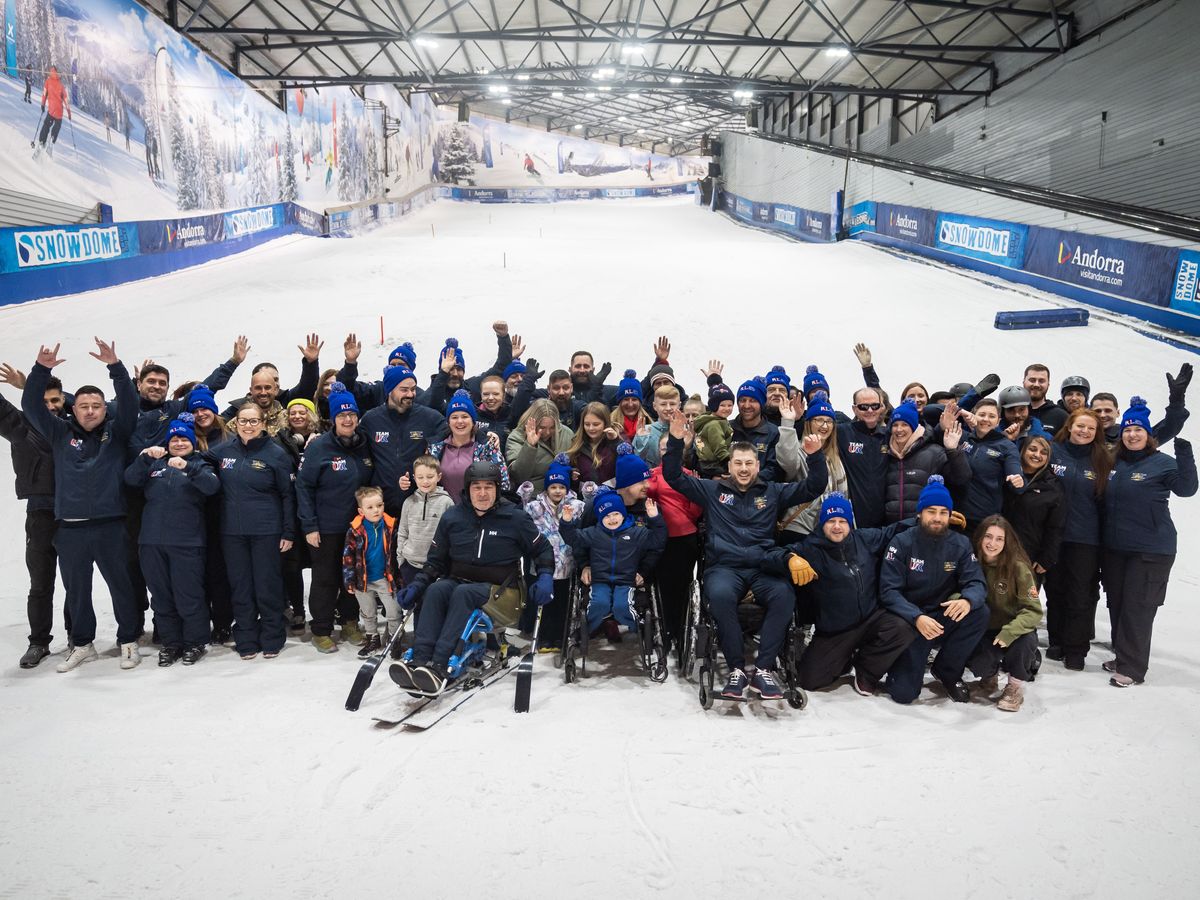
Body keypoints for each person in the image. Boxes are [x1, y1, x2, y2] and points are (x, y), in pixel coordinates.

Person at [662, 410, 828, 700]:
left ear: (757, 465)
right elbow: (673, 476)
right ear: (729, 464)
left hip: (763, 566)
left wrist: (815, 456)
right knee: (721, 597)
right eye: (737, 463)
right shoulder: (712, 490)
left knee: (784, 595)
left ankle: (763, 670)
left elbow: (814, 487)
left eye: (748, 463)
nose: (743, 468)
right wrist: (676, 441)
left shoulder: (773, 491)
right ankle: (737, 671)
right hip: (724, 568)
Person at [22, 339, 141, 672]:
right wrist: (40, 370)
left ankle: (129, 640)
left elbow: (131, 404)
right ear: (73, 409)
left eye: (97, 405)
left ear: (105, 409)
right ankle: (83, 643)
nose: (90, 410)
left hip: (110, 525)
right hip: (71, 529)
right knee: (77, 591)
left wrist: (115, 367)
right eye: (84, 405)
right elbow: (30, 405)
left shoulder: (117, 434)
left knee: (121, 585)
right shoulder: (59, 434)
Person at [391, 461, 555, 695]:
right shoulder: (453, 517)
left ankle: (440, 665)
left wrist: (545, 576)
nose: (482, 493)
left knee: (462, 593)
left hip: (503, 594)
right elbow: (436, 560)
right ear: (467, 489)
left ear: (498, 489)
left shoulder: (514, 518)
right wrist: (418, 586)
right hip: (461, 582)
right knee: (436, 590)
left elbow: (543, 549)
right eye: (476, 487)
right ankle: (419, 660)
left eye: (488, 487)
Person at [1101, 397, 1196, 687]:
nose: (1131, 435)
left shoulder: (1163, 464)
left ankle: (1132, 668)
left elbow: (1187, 489)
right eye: (1128, 429)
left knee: (1138, 607)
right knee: (1116, 603)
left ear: (1148, 435)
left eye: (1138, 430)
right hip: (1116, 548)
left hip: (1151, 550)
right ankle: (1123, 655)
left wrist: (1185, 456)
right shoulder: (1112, 461)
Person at [790, 493, 920, 695]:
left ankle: (867, 670)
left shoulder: (863, 539)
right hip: (836, 630)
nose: (837, 526)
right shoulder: (809, 548)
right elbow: (770, 556)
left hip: (871, 618)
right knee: (809, 680)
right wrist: (789, 558)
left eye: (842, 521)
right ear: (822, 523)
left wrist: (920, 520)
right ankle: (843, 659)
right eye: (831, 521)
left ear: (850, 523)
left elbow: (892, 531)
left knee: (903, 627)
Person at [879, 475, 988, 704]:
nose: (937, 518)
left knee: (979, 612)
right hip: (910, 622)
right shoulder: (901, 542)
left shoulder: (960, 544)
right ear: (919, 513)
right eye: (931, 511)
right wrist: (916, 617)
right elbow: (889, 591)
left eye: (943, 512)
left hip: (940, 616)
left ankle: (948, 670)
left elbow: (976, 582)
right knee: (903, 694)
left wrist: (967, 600)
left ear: (950, 515)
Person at [123, 414, 220, 667]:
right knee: (161, 596)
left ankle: (195, 641)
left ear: (193, 442)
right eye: (174, 439)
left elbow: (212, 487)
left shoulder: (201, 464)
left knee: (189, 595)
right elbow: (131, 480)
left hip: (188, 543)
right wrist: (144, 457)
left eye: (184, 439)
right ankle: (171, 642)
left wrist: (188, 468)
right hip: (152, 542)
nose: (179, 443)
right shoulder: (155, 465)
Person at [206, 402, 296, 660]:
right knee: (240, 586)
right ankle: (245, 638)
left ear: (263, 423)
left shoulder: (276, 454)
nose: (248, 425)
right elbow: (196, 458)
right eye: (243, 421)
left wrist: (288, 532)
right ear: (235, 423)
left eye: (253, 421)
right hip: (232, 533)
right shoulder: (223, 452)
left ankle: (271, 637)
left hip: (266, 531)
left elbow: (288, 496)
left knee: (266, 586)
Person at [296, 383, 373, 652]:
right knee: (325, 579)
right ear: (333, 419)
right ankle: (321, 629)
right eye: (342, 415)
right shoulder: (320, 447)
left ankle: (350, 622)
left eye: (352, 414)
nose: (348, 419)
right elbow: (303, 487)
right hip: (327, 527)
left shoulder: (364, 444)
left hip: (357, 527)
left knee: (352, 578)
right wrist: (309, 525)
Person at [1, 363, 67, 668]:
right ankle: (39, 642)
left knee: (76, 582)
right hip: (40, 514)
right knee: (41, 584)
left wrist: (29, 383)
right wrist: (27, 387)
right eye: (43, 402)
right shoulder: (20, 426)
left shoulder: (74, 426)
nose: (51, 407)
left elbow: (93, 403)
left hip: (73, 515)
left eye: (55, 400)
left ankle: (80, 637)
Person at [1044, 408, 1111, 668]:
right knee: (1055, 591)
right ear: (1070, 426)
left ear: (1096, 433)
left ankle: (1076, 649)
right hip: (1053, 537)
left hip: (1085, 540)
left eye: (1090, 428)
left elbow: (1105, 503)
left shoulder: (1103, 459)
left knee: (1081, 595)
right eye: (1080, 426)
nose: (1084, 431)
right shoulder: (1053, 451)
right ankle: (1057, 641)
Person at [561, 489, 666, 639]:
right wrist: (566, 522)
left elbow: (658, 539)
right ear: (600, 518)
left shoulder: (636, 533)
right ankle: (587, 629)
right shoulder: (594, 533)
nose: (612, 519)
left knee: (622, 606)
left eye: (616, 514)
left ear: (623, 514)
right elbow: (573, 539)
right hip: (600, 581)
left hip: (625, 581)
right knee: (599, 604)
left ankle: (639, 626)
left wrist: (655, 518)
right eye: (607, 516)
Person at [968, 515, 1043, 712]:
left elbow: (1034, 611)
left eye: (999, 539)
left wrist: (1010, 631)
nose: (992, 543)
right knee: (979, 663)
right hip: (986, 630)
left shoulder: (1018, 567)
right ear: (980, 538)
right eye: (988, 537)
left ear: (1007, 541)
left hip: (1015, 629)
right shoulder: (971, 561)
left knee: (1024, 642)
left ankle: (1014, 687)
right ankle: (989, 676)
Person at [360, 363, 449, 517]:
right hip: (380, 508)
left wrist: (485, 435)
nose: (410, 394)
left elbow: (457, 430)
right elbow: (352, 442)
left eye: (413, 389)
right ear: (389, 390)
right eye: (404, 390)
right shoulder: (371, 419)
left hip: (417, 505)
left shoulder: (429, 417)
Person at [517, 455, 584, 651]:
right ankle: (545, 637)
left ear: (567, 488)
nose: (557, 491)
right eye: (553, 487)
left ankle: (561, 636)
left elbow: (585, 520)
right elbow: (522, 519)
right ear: (546, 488)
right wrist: (524, 496)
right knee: (544, 604)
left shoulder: (576, 506)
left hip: (567, 563)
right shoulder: (535, 507)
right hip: (542, 564)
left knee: (563, 603)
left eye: (561, 487)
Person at [647, 433, 705, 655]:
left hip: (685, 537)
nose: (667, 452)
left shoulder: (690, 476)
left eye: (670, 448)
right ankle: (664, 631)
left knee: (682, 588)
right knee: (661, 586)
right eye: (663, 448)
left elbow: (697, 509)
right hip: (661, 538)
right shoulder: (651, 476)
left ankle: (681, 631)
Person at [776, 390, 846, 543]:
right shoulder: (800, 450)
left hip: (826, 531)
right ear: (809, 423)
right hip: (797, 529)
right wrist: (788, 423)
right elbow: (788, 461)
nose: (824, 425)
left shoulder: (836, 459)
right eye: (819, 420)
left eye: (828, 421)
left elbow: (843, 496)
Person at [883, 400, 969, 523]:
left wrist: (953, 451)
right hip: (891, 529)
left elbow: (961, 478)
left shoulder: (934, 452)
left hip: (923, 527)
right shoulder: (885, 454)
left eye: (904, 424)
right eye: (895, 425)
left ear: (914, 426)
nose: (899, 429)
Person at [342, 486, 401, 658]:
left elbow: (396, 553)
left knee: (393, 611)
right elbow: (348, 557)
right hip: (363, 580)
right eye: (370, 507)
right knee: (368, 612)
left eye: (379, 505)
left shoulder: (390, 527)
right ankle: (372, 639)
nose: (376, 510)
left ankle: (394, 639)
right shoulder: (355, 530)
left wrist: (399, 578)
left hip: (385, 578)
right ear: (361, 510)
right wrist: (349, 579)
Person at [221, 335, 324, 432]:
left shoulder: (287, 404)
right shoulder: (238, 409)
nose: (264, 391)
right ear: (252, 387)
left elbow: (307, 388)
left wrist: (311, 364)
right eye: (260, 386)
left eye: (275, 380)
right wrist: (233, 362)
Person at [1001, 434, 1065, 585]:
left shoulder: (1053, 486)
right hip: (997, 548)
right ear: (1022, 450)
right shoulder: (1006, 474)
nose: (1037, 455)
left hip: (1030, 555)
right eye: (1033, 449)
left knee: (1025, 604)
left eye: (1044, 453)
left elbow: (1056, 526)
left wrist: (1047, 558)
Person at [426, 390, 510, 499]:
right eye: (454, 417)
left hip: (478, 511)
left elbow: (504, 483)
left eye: (465, 416)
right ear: (448, 422)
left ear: (473, 421)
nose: (460, 421)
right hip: (443, 511)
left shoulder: (488, 446)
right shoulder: (435, 448)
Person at [957, 397, 1023, 534]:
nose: (985, 419)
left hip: (983, 519)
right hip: (955, 515)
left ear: (998, 421)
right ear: (973, 415)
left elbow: (1014, 470)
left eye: (991, 416)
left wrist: (1018, 480)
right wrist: (960, 411)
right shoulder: (962, 437)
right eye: (981, 415)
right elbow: (936, 420)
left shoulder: (1006, 447)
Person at [836, 386, 889, 528]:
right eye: (863, 407)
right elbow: (815, 427)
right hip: (852, 520)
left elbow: (919, 431)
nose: (870, 411)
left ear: (882, 407)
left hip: (885, 521)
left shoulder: (891, 435)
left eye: (874, 406)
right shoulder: (841, 433)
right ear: (854, 409)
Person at [506, 398, 574, 493]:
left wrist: (574, 472)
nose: (547, 432)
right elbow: (518, 476)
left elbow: (574, 464)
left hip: (562, 494)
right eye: (542, 427)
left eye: (552, 427)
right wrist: (530, 446)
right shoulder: (517, 437)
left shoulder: (567, 433)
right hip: (532, 496)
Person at [731, 378, 780, 481]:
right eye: (743, 400)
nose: (747, 405)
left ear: (761, 404)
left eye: (753, 400)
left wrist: (747, 479)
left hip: (760, 491)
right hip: (728, 489)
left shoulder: (773, 432)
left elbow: (774, 469)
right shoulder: (727, 428)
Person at [566, 401, 621, 486]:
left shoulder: (617, 438)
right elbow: (573, 482)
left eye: (596, 424)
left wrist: (615, 441)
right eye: (587, 424)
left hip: (612, 495)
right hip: (586, 496)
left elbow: (629, 461)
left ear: (605, 423)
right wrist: (573, 477)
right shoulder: (577, 444)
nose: (591, 428)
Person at [633, 383, 682, 465]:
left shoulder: (685, 431)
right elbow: (635, 462)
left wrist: (688, 446)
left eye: (672, 404)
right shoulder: (645, 431)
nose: (668, 408)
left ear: (679, 405)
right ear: (655, 406)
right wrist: (641, 442)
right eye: (663, 404)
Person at [35, 65, 71, 157]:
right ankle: (51, 142)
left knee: (46, 125)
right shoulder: (61, 85)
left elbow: (44, 94)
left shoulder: (48, 82)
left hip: (51, 110)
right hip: (59, 112)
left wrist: (42, 104)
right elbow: (66, 100)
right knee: (57, 127)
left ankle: (41, 143)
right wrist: (69, 112)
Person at [1023, 364, 1067, 435]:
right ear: (1024, 382)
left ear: (1048, 384)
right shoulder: (1012, 412)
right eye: (1032, 380)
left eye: (1041, 381)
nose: (1036, 385)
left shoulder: (1061, 416)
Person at [611, 370, 652, 442]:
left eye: (634, 399)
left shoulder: (649, 424)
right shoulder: (610, 424)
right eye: (626, 399)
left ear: (640, 402)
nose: (630, 404)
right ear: (620, 402)